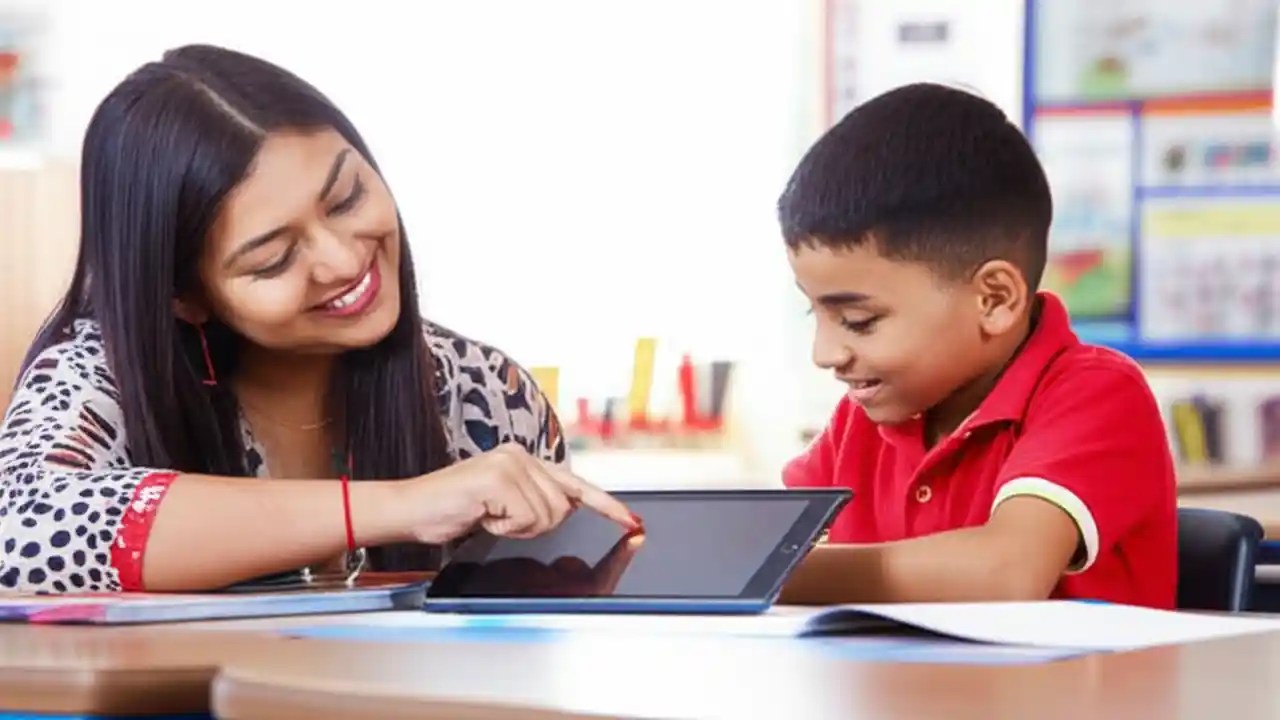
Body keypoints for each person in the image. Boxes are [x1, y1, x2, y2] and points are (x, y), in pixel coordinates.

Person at [0, 44, 638, 595]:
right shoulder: (103, 375)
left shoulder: (486, 394)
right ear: (183, 296)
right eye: (274, 259)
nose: (342, 259)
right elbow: (20, 530)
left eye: (348, 197)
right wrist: (406, 505)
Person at [776, 83, 1177, 608]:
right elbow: (767, 542)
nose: (825, 353)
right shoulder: (864, 421)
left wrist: (779, 572)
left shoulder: (1095, 394)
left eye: (858, 320)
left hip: (1067, 692)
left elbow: (1004, 574)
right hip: (899, 690)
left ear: (993, 299)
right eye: (816, 312)